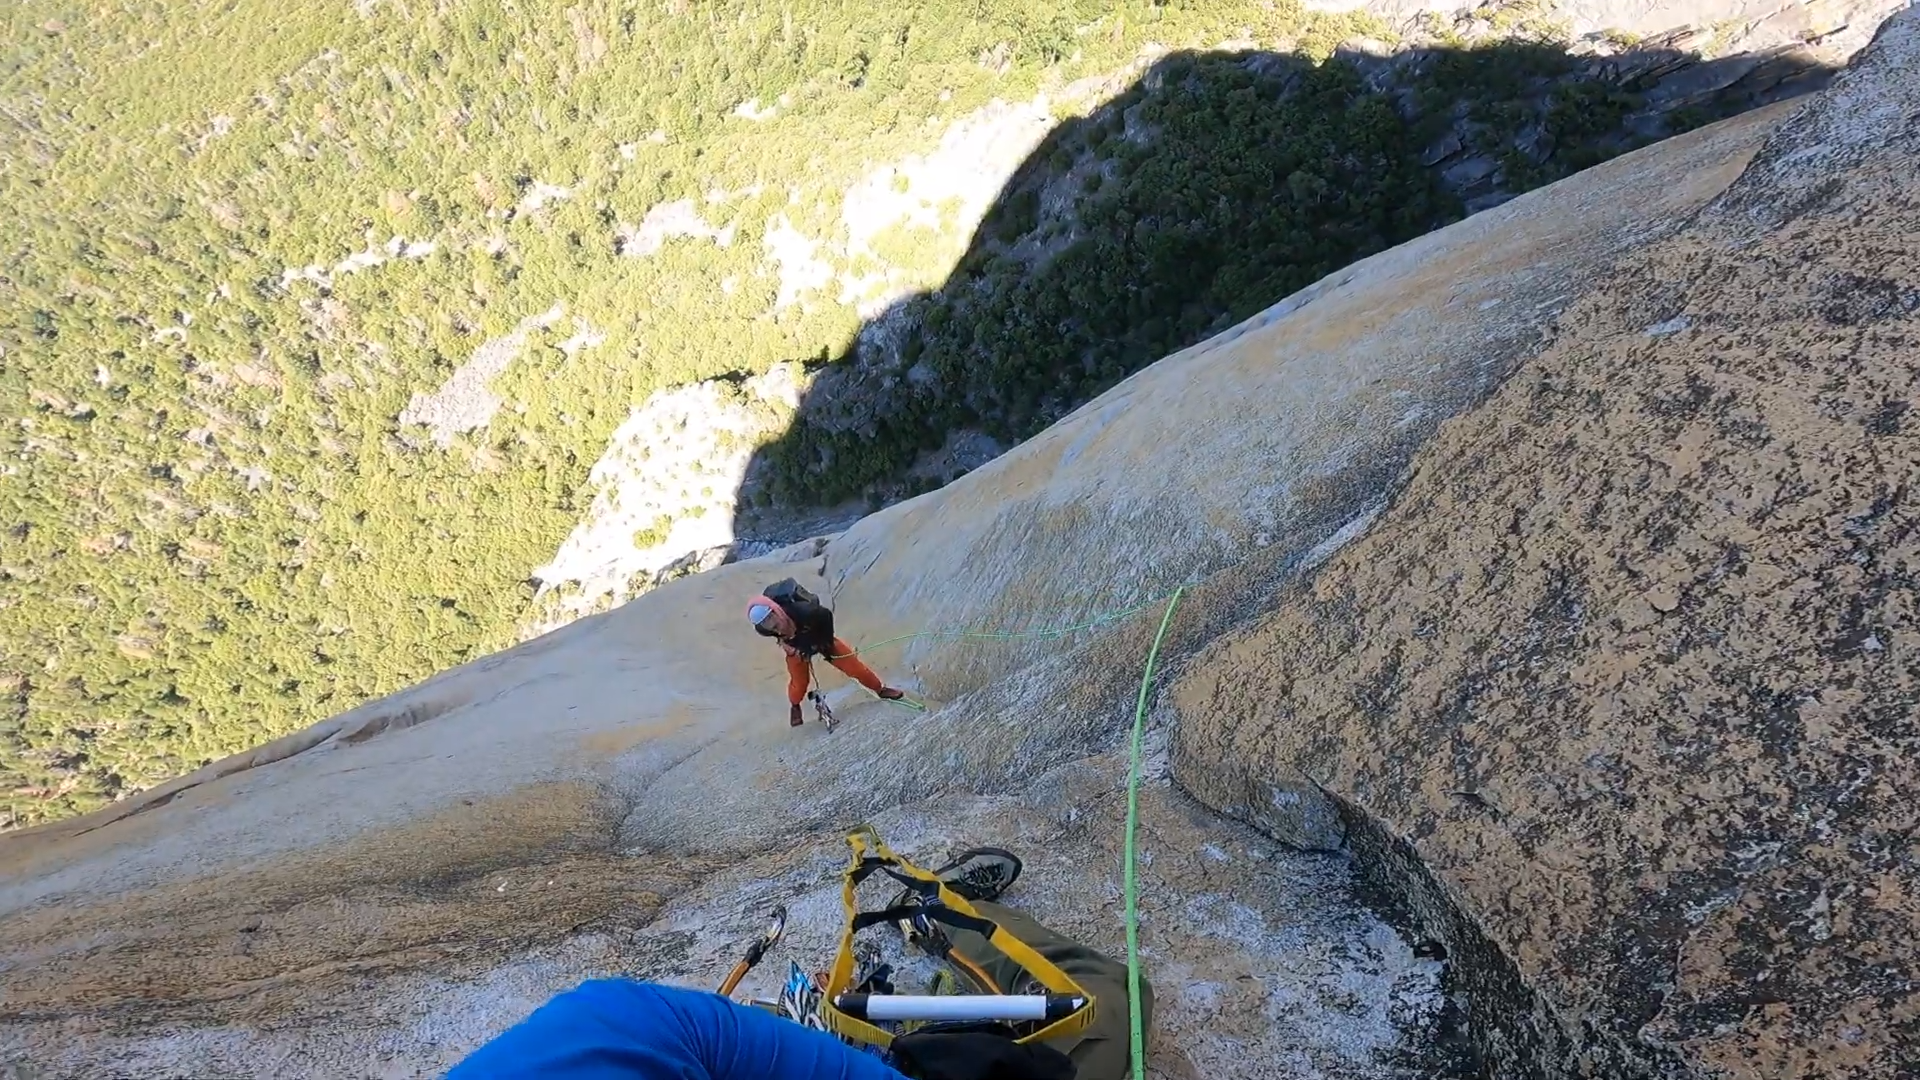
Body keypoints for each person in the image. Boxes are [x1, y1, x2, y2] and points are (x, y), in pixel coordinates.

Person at [447, 848, 1151, 1080]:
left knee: (1105, 1005)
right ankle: (944, 920)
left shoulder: (609, 1026)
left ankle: (944, 918)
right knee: (1109, 1011)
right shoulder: (602, 1027)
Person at [747, 578, 905, 726]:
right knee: (799, 683)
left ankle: (880, 689)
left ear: (775, 611)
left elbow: (825, 615)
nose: (770, 625)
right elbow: (777, 636)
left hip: (819, 637)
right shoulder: (763, 629)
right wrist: (785, 644)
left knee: (854, 667)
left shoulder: (803, 611)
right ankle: (795, 705)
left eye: (770, 618)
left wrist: (825, 642)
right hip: (795, 645)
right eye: (765, 624)